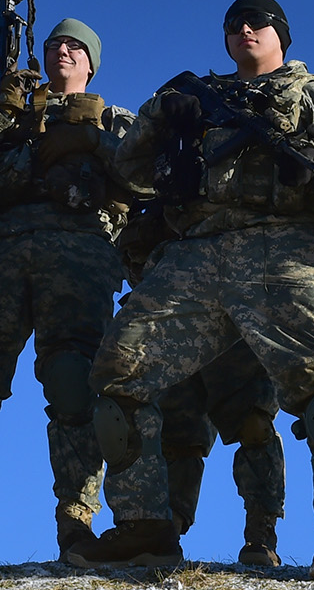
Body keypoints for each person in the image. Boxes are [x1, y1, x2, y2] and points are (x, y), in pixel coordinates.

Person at [68, 0, 314, 580]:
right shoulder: (196, 96)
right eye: (234, 24)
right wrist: (164, 118)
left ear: (281, 35)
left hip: (283, 248)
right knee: (119, 371)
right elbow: (131, 171)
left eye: (259, 22)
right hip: (193, 251)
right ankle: (145, 527)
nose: (246, 30)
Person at [0, 20, 133, 561]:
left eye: (74, 47)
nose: (62, 52)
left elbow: (146, 172)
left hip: (78, 251)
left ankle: (77, 524)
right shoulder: (9, 114)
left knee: (73, 383)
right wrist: (4, 118)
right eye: (53, 46)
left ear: (91, 62)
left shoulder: (113, 118)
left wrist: (92, 139)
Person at [119, 203, 287, 567]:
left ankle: (261, 531)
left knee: (253, 423)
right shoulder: (154, 157)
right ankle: (169, 529)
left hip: (235, 289)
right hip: (167, 299)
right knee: (177, 436)